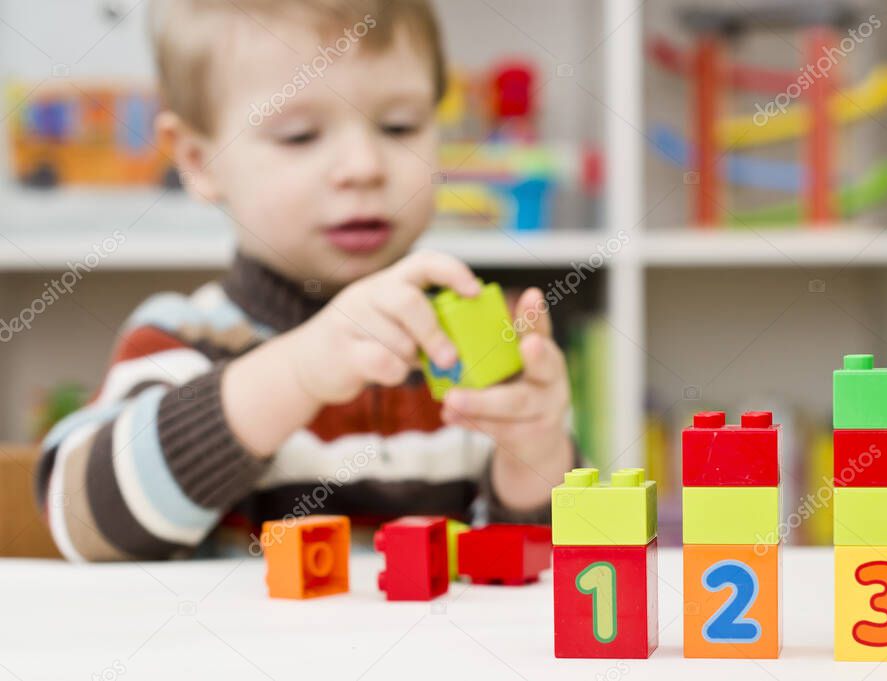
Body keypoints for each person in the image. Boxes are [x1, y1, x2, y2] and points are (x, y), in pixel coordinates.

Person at [36, 0, 575, 561]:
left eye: (400, 126)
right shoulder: (181, 337)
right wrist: (298, 370)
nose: (364, 166)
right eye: (299, 135)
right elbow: (80, 518)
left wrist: (533, 456)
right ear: (198, 160)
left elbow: (538, 570)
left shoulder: (466, 349)